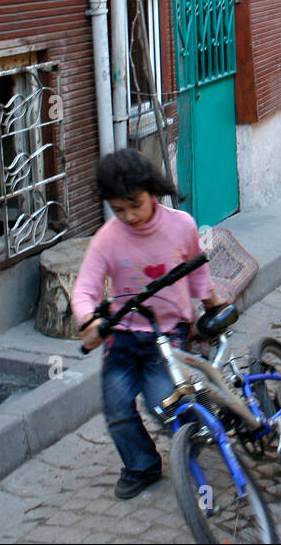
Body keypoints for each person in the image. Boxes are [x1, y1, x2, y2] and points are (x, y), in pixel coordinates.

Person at [72, 150, 226, 499]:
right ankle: (141, 466)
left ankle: (190, 443)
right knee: (116, 406)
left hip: (168, 333)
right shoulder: (107, 239)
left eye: (135, 205)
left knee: (165, 403)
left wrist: (212, 304)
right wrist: (89, 318)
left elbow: (197, 269)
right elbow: (85, 288)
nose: (129, 216)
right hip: (123, 336)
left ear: (151, 191)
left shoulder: (181, 225)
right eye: (118, 209)